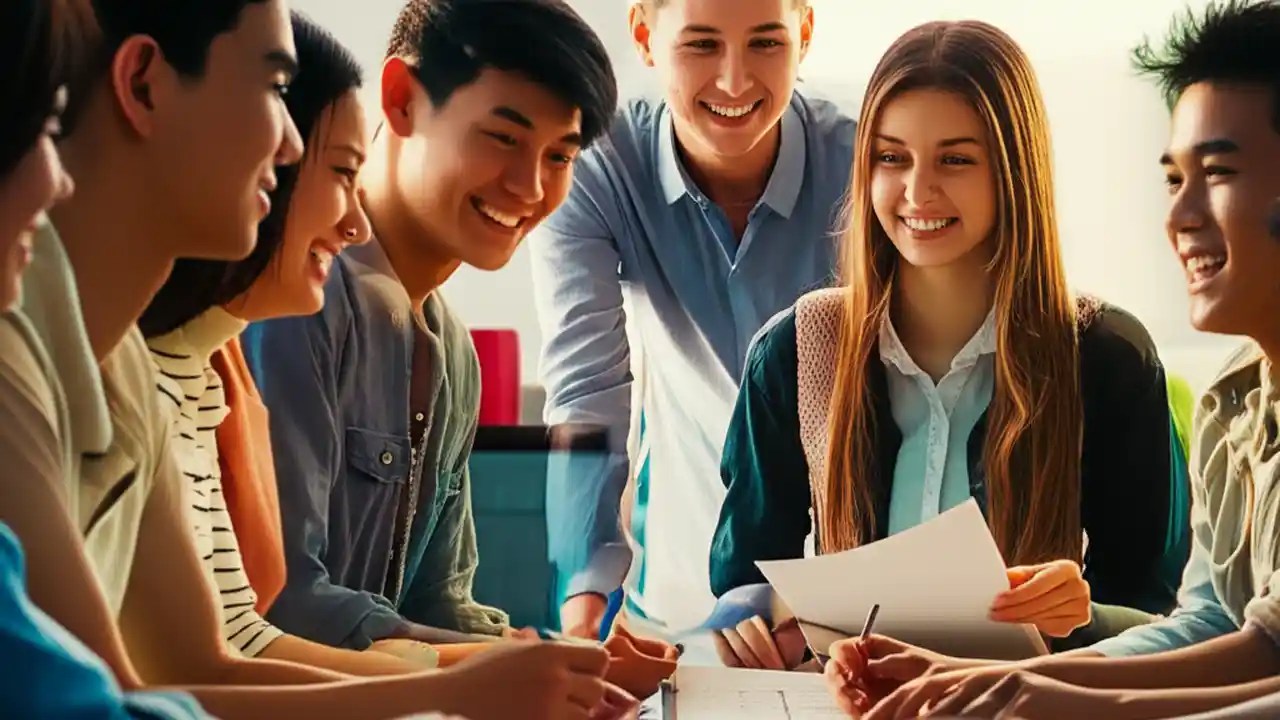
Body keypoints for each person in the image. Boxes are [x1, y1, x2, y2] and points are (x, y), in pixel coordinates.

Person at [0, 0, 625, 718]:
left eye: (560, 157)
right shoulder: (39, 340)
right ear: (142, 85)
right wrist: (456, 687)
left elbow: (190, 668)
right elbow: (147, 683)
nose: (291, 147)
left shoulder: (140, 371)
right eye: (274, 89)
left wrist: (496, 675)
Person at [830, 3, 1280, 718]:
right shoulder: (1237, 403)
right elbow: (1219, 626)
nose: (1180, 215)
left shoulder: (1108, 355)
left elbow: (1250, 650)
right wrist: (972, 677)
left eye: (1217, 172)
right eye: (1173, 179)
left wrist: (1054, 692)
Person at [708, 18, 1187, 670]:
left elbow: (1158, 610)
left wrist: (1085, 613)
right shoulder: (793, 353)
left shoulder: (1107, 357)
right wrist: (748, 619)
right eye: (891, 157)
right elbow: (743, 580)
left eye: (956, 160)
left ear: (1013, 171)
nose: (917, 191)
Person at [241, 0, 621, 650]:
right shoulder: (297, 300)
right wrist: (507, 664)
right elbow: (282, 598)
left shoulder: (452, 351)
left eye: (559, 156)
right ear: (401, 100)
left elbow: (438, 603)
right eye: (503, 138)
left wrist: (563, 657)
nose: (530, 187)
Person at [530, 0, 857, 640]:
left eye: (765, 44)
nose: (734, 82)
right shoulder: (598, 169)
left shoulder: (864, 164)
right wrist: (583, 604)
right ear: (645, 36)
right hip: (677, 596)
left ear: (806, 32)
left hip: (849, 600)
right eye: (702, 45)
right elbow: (585, 392)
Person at [137, 10, 452, 674]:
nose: (357, 228)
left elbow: (235, 640)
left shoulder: (201, 377)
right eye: (340, 173)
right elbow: (194, 673)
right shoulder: (140, 371)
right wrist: (448, 676)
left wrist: (442, 669)